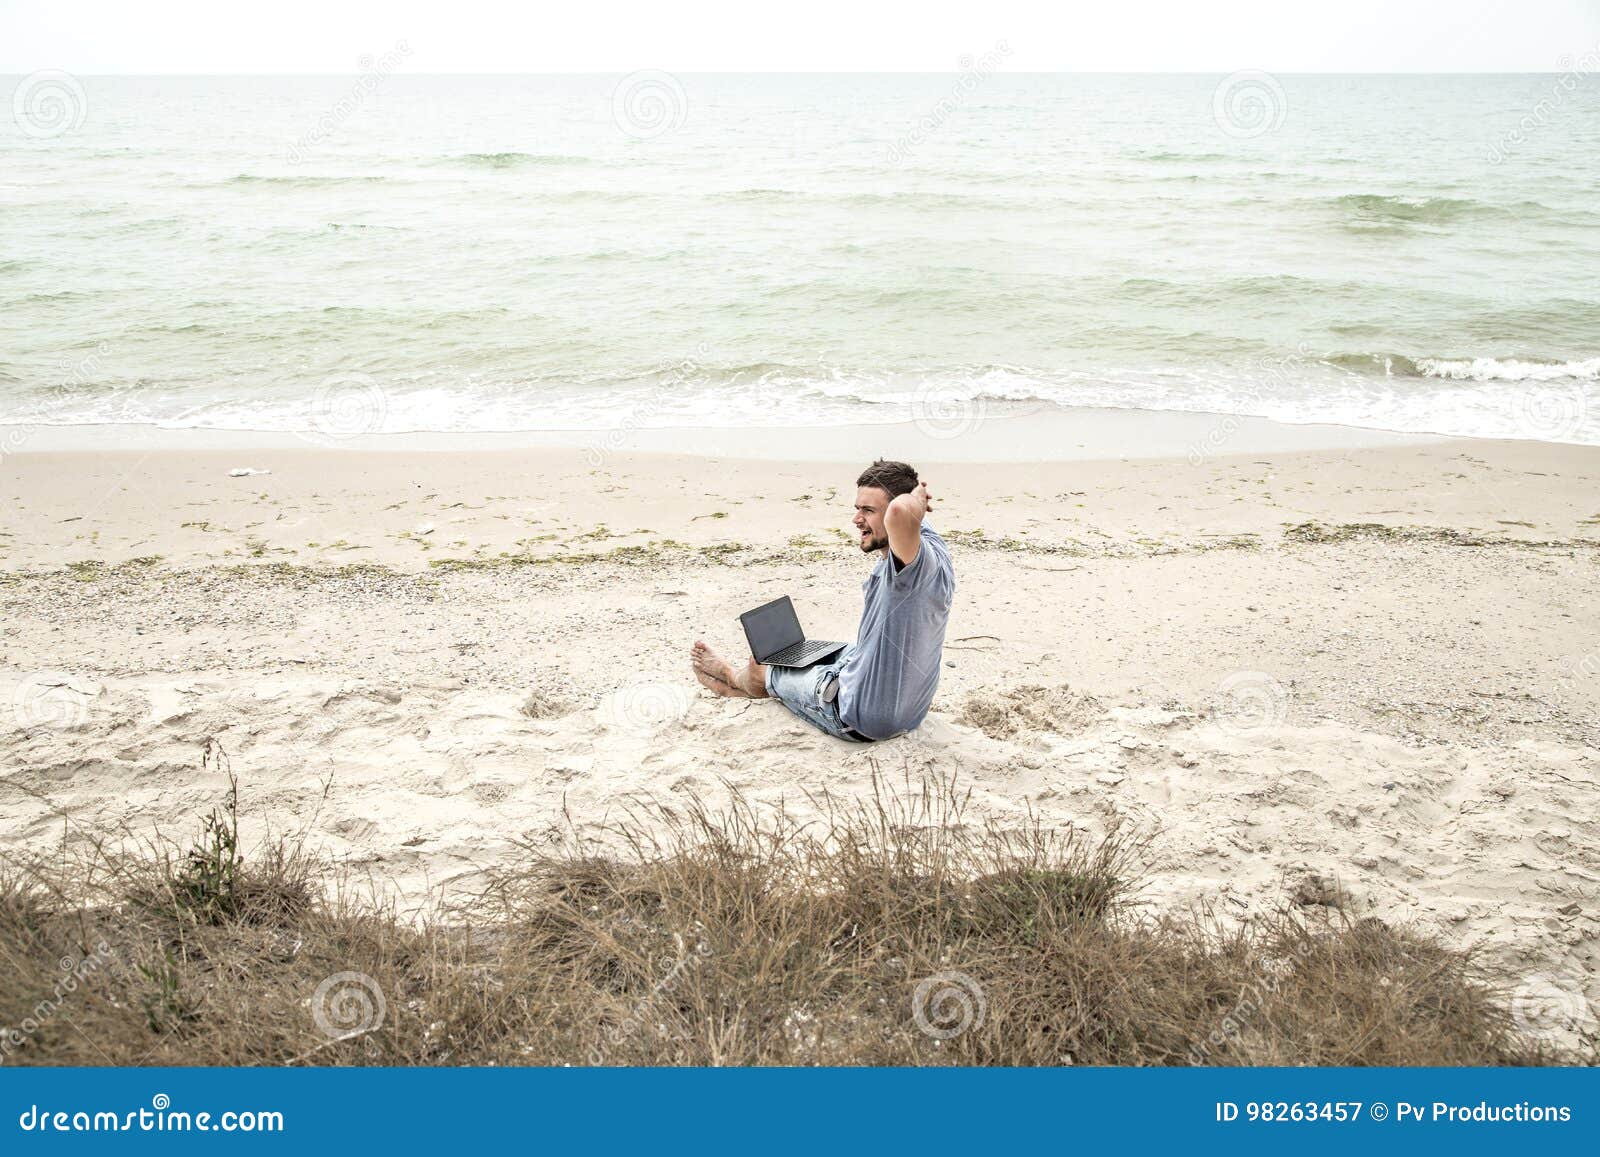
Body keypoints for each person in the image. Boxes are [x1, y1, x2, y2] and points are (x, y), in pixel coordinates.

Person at [690, 459, 956, 741]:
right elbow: (904, 515)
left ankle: (736, 680)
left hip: (865, 716)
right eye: (857, 509)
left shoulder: (911, 570)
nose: (856, 520)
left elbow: (902, 511)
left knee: (761, 668)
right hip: (908, 706)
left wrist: (915, 496)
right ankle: (800, 673)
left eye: (868, 510)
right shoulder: (931, 544)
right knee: (823, 652)